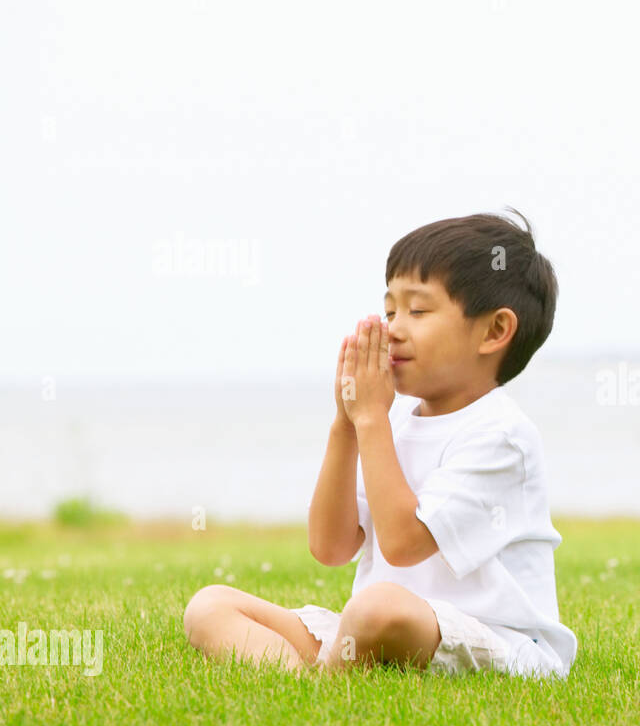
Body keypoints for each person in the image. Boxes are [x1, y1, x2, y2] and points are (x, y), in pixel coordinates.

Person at [183, 208, 575, 679]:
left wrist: (371, 421)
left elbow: (405, 544)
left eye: (419, 310)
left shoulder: (501, 435)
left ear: (494, 331)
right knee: (210, 606)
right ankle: (305, 681)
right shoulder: (395, 425)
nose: (393, 328)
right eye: (389, 310)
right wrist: (345, 425)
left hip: (493, 639)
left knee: (375, 608)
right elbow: (330, 547)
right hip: (375, 629)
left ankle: (322, 679)